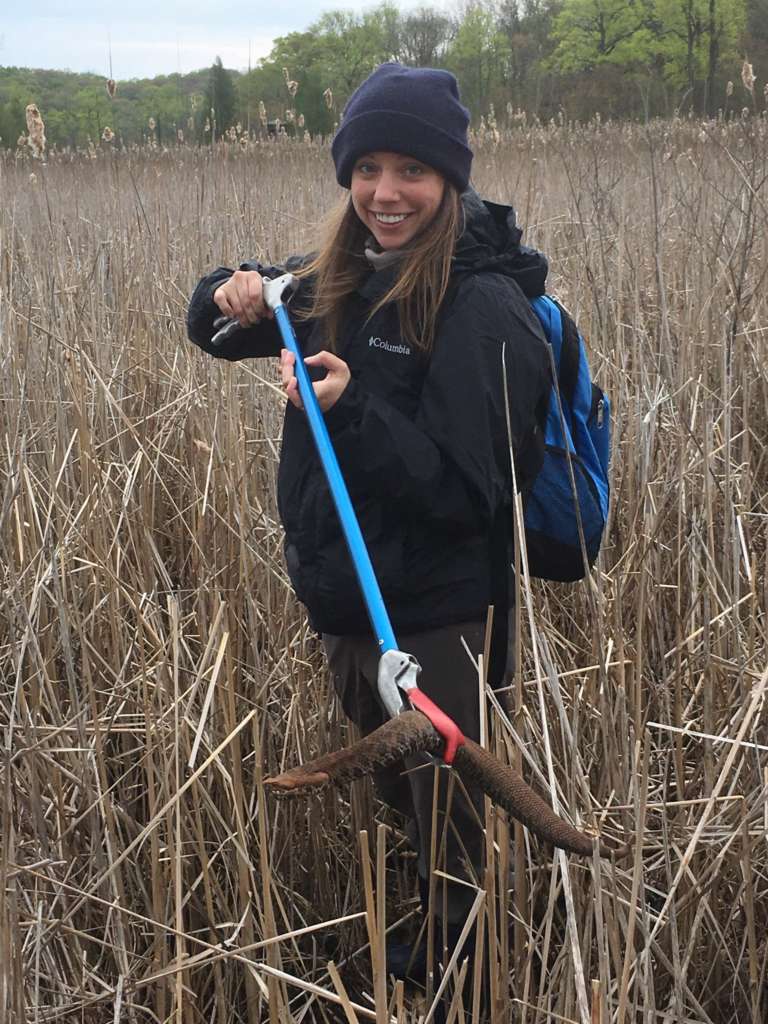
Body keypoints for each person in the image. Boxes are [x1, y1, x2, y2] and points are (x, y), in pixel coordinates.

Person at [187, 62, 552, 1003]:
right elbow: (215, 328)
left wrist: (351, 411)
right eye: (367, 169)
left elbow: (472, 493)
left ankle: (466, 985)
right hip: (349, 610)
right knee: (411, 818)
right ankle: (428, 956)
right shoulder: (335, 279)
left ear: (451, 180)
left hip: (430, 624)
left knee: (454, 835)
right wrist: (225, 293)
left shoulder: (485, 308)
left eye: (413, 172)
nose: (387, 194)